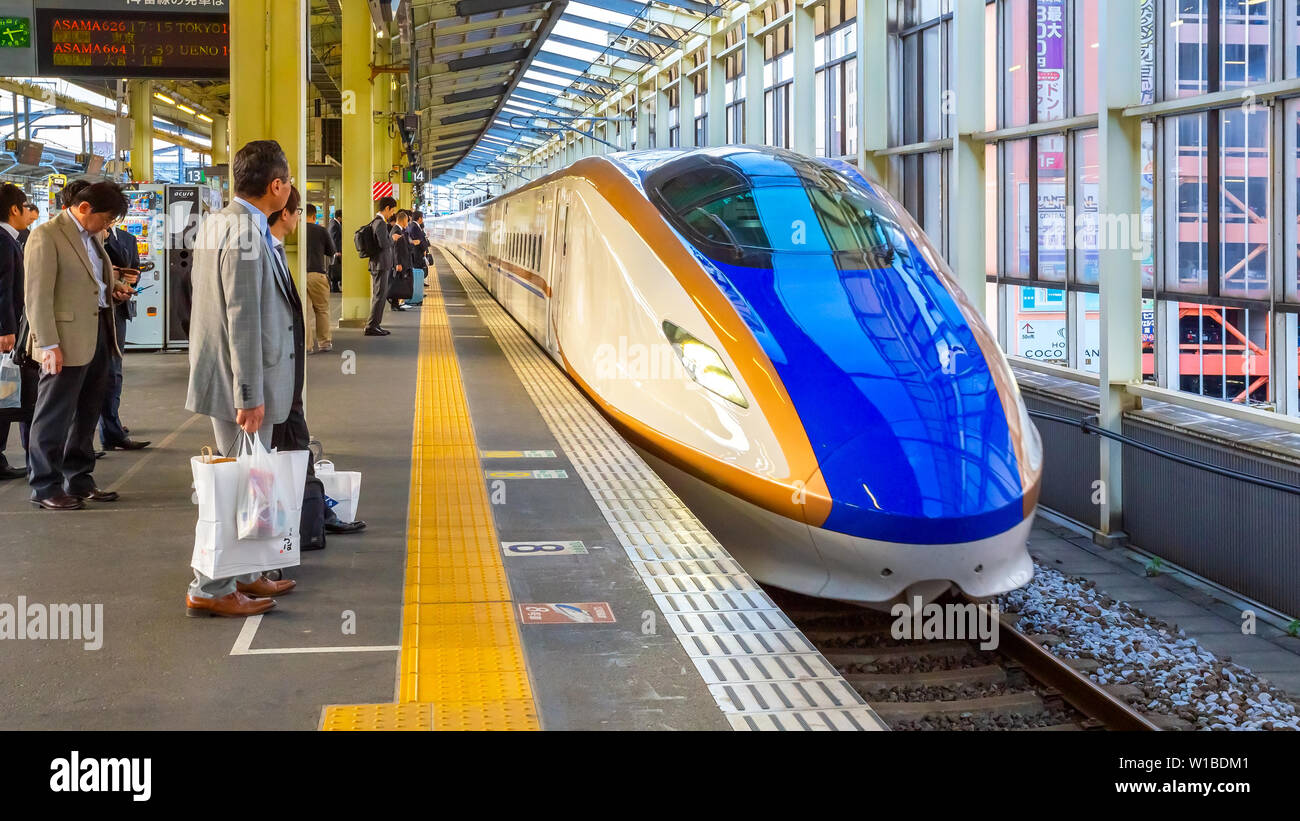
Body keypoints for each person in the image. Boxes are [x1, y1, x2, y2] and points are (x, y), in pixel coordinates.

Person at [184, 139, 298, 617]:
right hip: (242, 385)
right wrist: (249, 394)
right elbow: (242, 318)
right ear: (275, 186)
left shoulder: (219, 222)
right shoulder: (247, 233)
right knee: (233, 486)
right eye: (288, 182)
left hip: (228, 376)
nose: (289, 189)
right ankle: (210, 588)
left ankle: (247, 573)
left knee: (249, 481)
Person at [23, 181, 132, 511]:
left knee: (88, 410)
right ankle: (44, 485)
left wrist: (113, 288)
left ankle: (80, 479)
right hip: (64, 339)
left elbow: (90, 279)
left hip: (97, 330)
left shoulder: (92, 237)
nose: (108, 225)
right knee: (54, 414)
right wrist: (48, 345)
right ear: (85, 209)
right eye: (107, 218)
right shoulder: (47, 236)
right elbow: (37, 296)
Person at [267, 188, 366, 537]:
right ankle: (274, 532)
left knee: (298, 444)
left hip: (284, 379)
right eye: (292, 213)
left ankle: (312, 512)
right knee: (278, 451)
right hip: (269, 381)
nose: (296, 219)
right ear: (285, 212)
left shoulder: (275, 248)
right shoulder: (259, 248)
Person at [99, 224, 150, 451]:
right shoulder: (90, 236)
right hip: (91, 314)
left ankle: (112, 431)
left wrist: (130, 282)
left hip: (118, 311)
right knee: (86, 378)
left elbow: (134, 270)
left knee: (113, 373)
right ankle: (78, 443)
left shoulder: (128, 238)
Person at [0, 184, 29, 480]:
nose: (28, 211)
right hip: (3, 333)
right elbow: (3, 289)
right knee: (4, 393)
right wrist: (6, 330)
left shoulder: (10, 240)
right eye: (25, 205)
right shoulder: (4, 240)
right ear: (13, 210)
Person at [364, 195, 400, 337]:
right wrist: (392, 238)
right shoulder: (380, 223)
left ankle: (375, 325)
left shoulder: (377, 222)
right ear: (387, 208)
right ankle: (372, 326)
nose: (392, 214)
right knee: (380, 295)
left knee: (379, 294)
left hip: (378, 264)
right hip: (380, 264)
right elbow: (383, 244)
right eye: (392, 211)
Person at [303, 204, 335, 353]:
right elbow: (331, 251)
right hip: (317, 273)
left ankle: (307, 346)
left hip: (300, 275)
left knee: (305, 311)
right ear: (314, 216)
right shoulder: (321, 231)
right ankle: (324, 342)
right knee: (322, 309)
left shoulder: (296, 230)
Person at [388, 209, 414, 312]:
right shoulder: (396, 231)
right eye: (407, 220)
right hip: (399, 262)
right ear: (403, 220)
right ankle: (394, 304)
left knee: (398, 283)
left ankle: (396, 303)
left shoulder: (399, 230)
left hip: (402, 261)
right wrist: (397, 263)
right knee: (396, 283)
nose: (407, 223)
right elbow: (396, 249)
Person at [405, 211, 428, 307]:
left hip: (415, 254)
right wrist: (424, 250)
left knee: (416, 274)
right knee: (417, 273)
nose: (422, 219)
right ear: (419, 218)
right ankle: (416, 295)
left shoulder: (412, 226)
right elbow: (419, 241)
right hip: (417, 255)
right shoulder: (415, 227)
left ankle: (417, 294)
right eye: (422, 217)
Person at [327, 209, 343, 292]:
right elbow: (334, 239)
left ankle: (335, 287)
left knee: (336, 268)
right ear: (339, 217)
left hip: (335, 250)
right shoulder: (334, 225)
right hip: (335, 251)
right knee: (335, 268)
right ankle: (334, 287)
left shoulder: (334, 223)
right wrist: (336, 251)